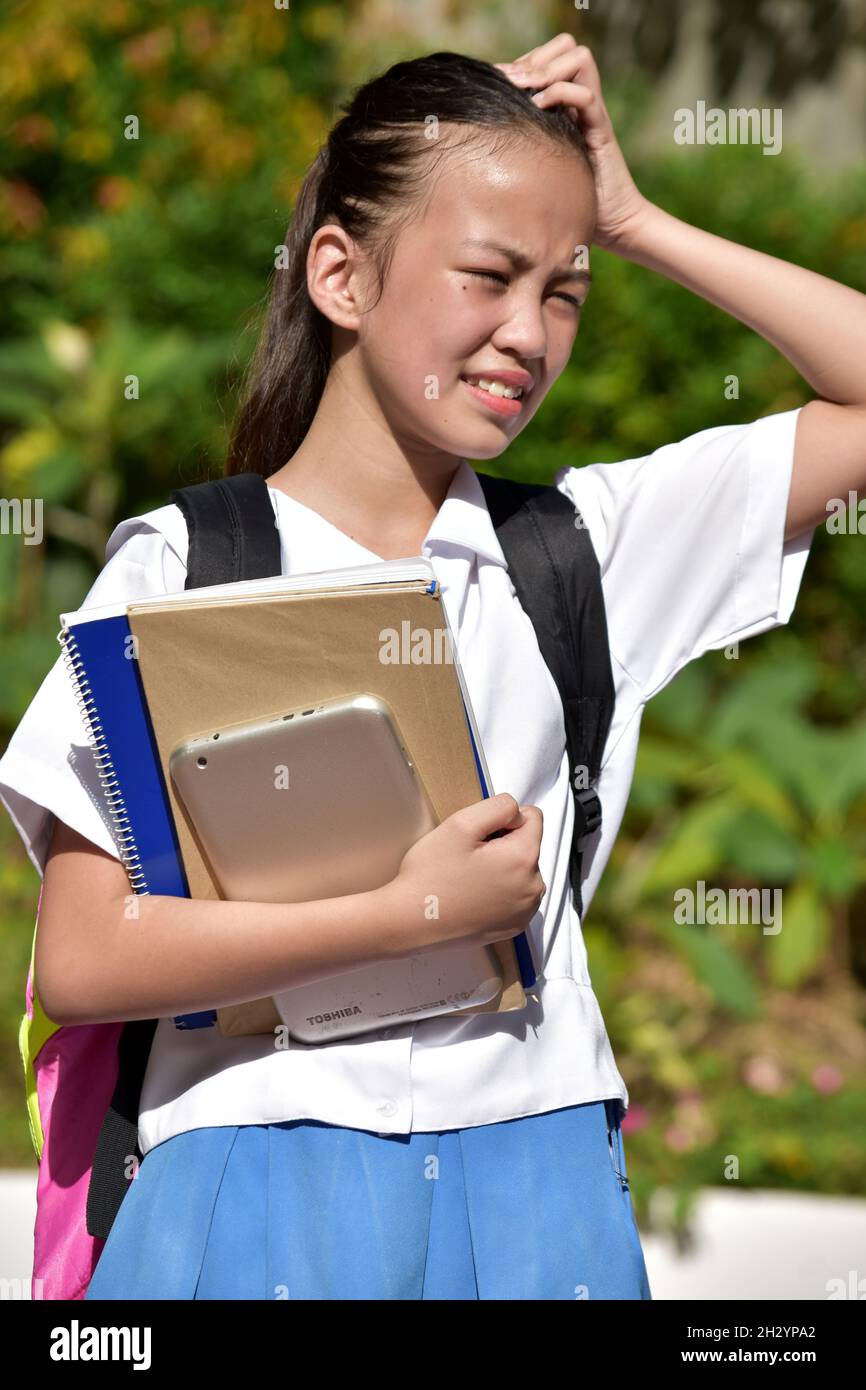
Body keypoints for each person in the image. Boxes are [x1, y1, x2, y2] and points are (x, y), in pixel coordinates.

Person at [2, 36, 863, 1301]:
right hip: (250, 1169)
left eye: (562, 291)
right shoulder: (183, 566)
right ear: (341, 276)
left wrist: (629, 220)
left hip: (537, 1172)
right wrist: (414, 915)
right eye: (487, 276)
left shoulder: (585, 545)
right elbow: (79, 957)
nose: (528, 333)